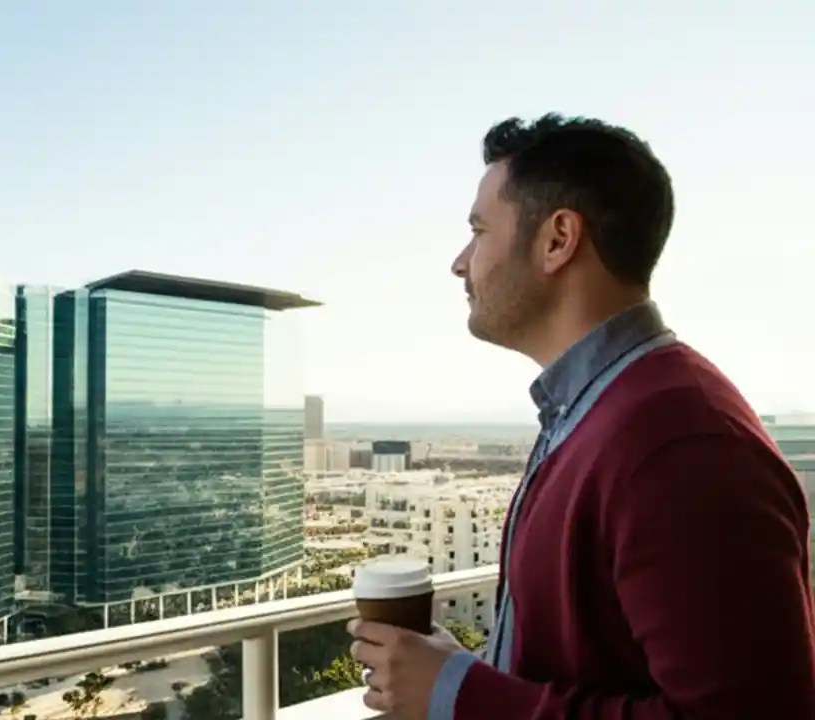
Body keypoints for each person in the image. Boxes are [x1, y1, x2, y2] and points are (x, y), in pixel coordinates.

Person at [349, 114, 815, 720]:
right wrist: (459, 672)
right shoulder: (600, 413)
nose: (460, 263)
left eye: (478, 230)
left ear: (558, 239)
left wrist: (462, 695)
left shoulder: (678, 441)